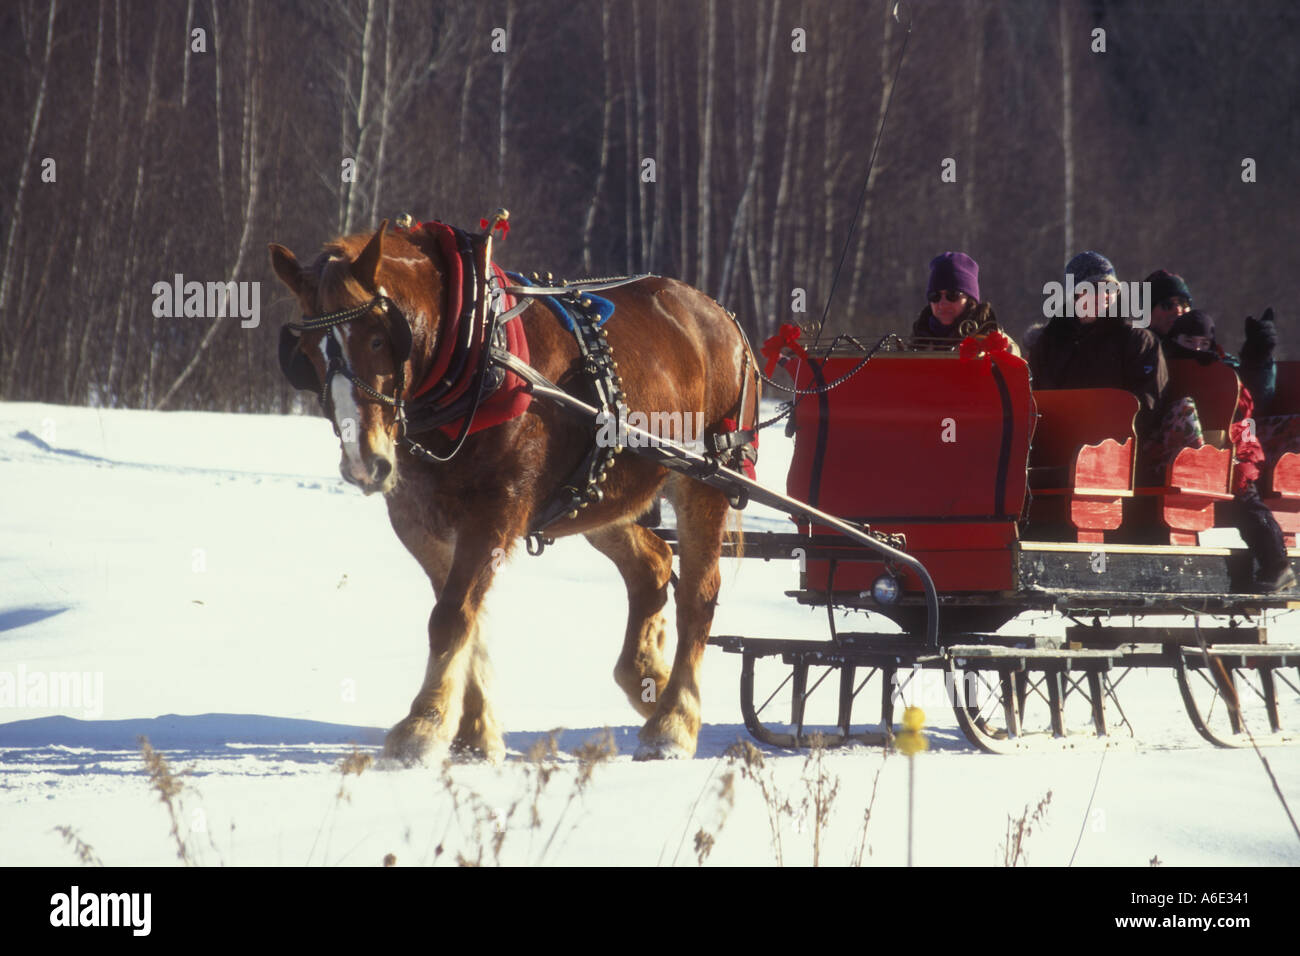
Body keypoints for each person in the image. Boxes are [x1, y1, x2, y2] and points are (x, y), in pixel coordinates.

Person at [1155, 310, 1295, 591]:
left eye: (1203, 343)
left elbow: (1246, 414)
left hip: (1234, 447)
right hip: (1191, 450)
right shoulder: (1166, 367)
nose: (1196, 348)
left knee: (1245, 500)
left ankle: (1277, 564)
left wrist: (1238, 462)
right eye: (1188, 340)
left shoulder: (1224, 371)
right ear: (1174, 339)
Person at [1029, 251, 1167, 437]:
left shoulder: (1138, 342)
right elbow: (1035, 401)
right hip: (1055, 444)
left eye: (1109, 289)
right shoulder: (1049, 343)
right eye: (1091, 288)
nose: (1102, 296)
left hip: (1118, 447)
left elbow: (1148, 406)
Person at [1143, 267, 1278, 413]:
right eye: (1167, 304)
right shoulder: (1139, 352)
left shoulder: (1209, 353)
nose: (1177, 310)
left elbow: (1250, 402)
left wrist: (1257, 361)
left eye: (1183, 303)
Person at [910, 252, 1018, 352]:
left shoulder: (998, 345)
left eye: (952, 295)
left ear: (970, 300)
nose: (942, 303)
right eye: (935, 296)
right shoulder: (914, 345)